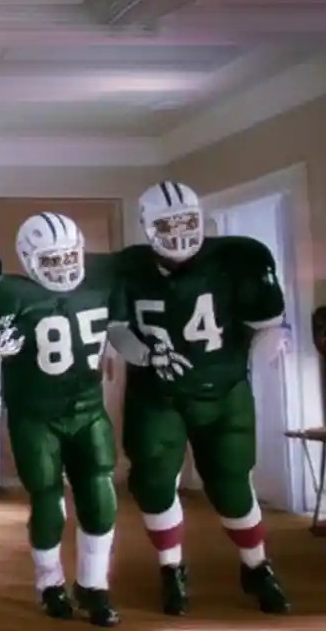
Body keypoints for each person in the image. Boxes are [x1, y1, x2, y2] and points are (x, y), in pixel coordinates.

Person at [106, 181, 290, 616]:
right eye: (169, 224)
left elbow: (268, 324)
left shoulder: (236, 258)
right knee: (153, 483)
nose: (179, 231)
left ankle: (256, 566)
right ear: (148, 227)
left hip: (223, 392)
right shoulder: (129, 267)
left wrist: (268, 346)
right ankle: (171, 568)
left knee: (231, 483)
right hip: (158, 394)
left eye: (187, 221)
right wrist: (149, 355)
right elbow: (116, 331)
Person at [0, 213, 120, 626]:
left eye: (69, 256)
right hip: (34, 416)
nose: (64, 267)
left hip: (89, 409)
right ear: (30, 259)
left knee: (100, 497)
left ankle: (94, 586)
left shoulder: (100, 281)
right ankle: (49, 584)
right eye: (51, 260)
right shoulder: (6, 293)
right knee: (47, 501)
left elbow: (125, 333)